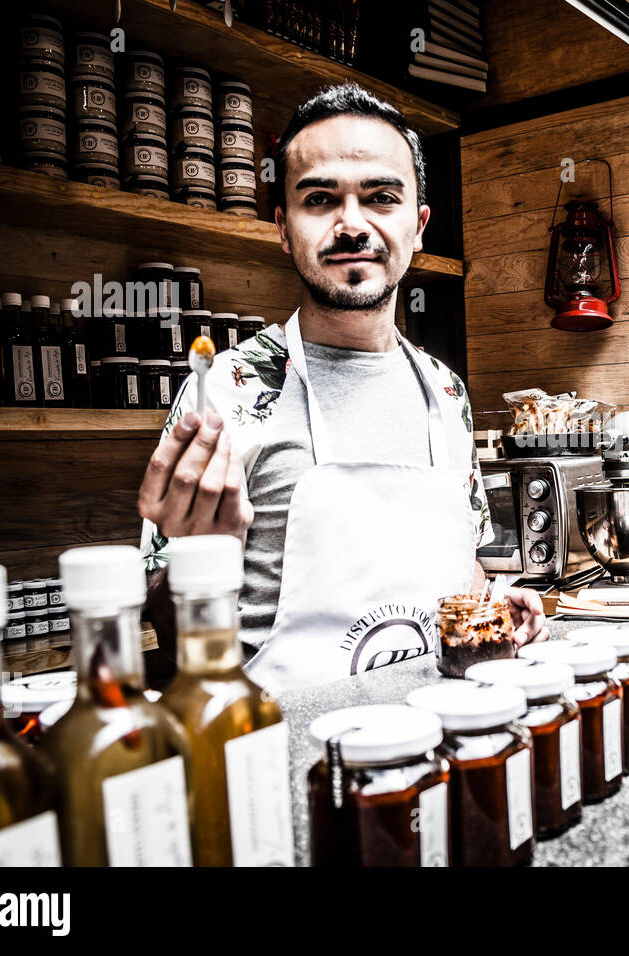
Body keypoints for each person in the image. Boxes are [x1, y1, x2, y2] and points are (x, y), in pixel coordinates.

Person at [136, 84, 547, 692]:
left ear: (419, 225)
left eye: (381, 198)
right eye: (321, 199)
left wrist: (494, 604)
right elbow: (171, 634)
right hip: (285, 754)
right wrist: (192, 570)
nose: (352, 225)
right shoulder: (226, 393)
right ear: (283, 227)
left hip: (443, 741)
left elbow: (460, 579)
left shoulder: (447, 392)